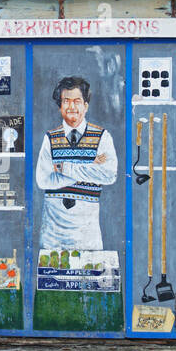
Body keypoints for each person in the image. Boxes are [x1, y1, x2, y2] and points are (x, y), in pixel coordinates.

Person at [35, 76, 118, 251]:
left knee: (90, 274)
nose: (71, 107)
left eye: (77, 101)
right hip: (53, 231)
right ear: (60, 106)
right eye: (66, 101)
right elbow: (43, 180)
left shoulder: (102, 136)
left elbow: (109, 175)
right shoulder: (50, 138)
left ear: (85, 106)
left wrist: (65, 168)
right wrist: (88, 168)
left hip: (87, 232)